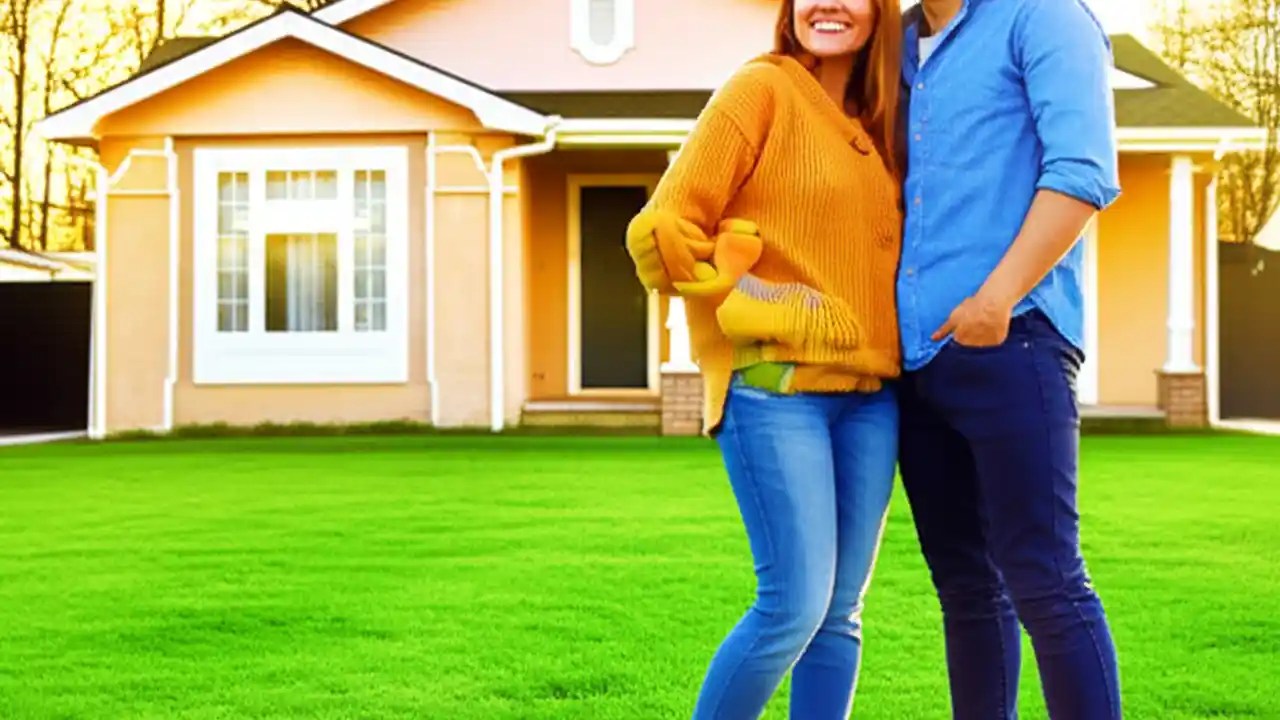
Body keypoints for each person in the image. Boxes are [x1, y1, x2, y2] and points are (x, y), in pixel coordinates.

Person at [624, 1, 901, 717]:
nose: (827, 4)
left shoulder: (886, 122)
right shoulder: (762, 90)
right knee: (792, 608)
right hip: (775, 390)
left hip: (871, 398)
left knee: (840, 614)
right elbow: (669, 223)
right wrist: (761, 302)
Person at [896, 0, 1122, 718]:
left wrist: (993, 300)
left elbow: (1082, 173)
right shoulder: (896, 44)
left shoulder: (1045, 17)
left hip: (1015, 340)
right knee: (965, 588)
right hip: (914, 364)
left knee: (1047, 581)